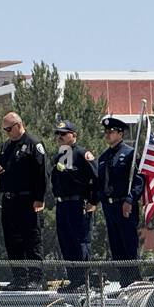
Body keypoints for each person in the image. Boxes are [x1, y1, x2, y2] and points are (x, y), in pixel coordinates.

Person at [0, 111, 46, 290]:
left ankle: (35, 278)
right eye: (4, 129)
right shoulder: (6, 145)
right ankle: (19, 277)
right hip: (9, 200)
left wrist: (39, 199)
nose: (6, 132)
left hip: (27, 200)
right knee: (12, 240)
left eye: (8, 129)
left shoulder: (33, 144)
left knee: (31, 239)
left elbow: (41, 173)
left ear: (18, 125)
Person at [50, 119, 99, 291]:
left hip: (78, 204)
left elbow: (96, 178)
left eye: (63, 134)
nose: (60, 137)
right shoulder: (59, 156)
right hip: (63, 205)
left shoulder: (82, 154)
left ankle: (83, 280)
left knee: (80, 242)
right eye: (58, 134)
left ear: (74, 135)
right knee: (66, 241)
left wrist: (93, 201)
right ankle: (74, 279)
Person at [96, 116, 144, 287]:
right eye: (106, 132)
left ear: (120, 134)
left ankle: (134, 278)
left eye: (111, 132)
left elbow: (138, 180)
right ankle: (124, 277)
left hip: (125, 204)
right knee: (115, 244)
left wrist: (130, 200)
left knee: (128, 242)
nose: (107, 135)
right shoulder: (103, 157)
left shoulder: (130, 153)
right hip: (109, 206)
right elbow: (100, 183)